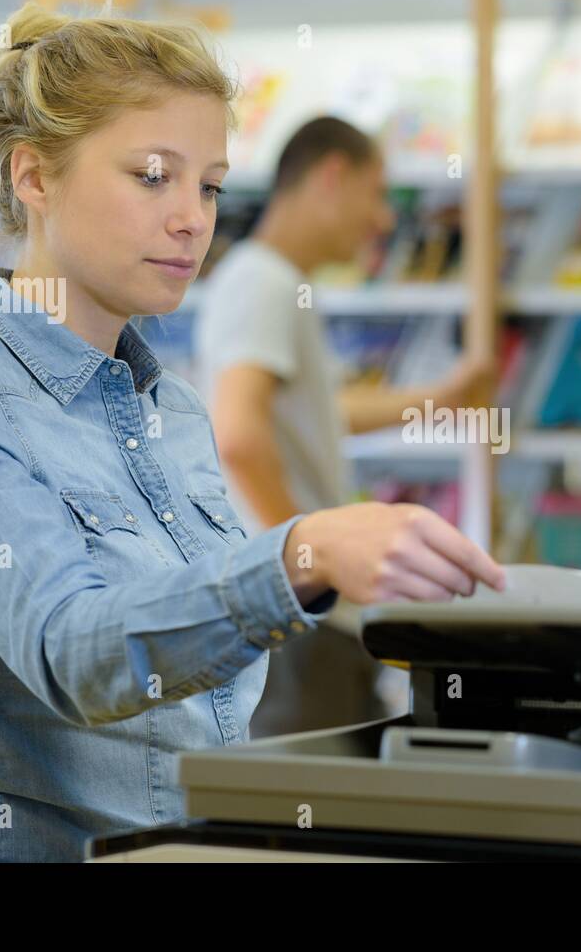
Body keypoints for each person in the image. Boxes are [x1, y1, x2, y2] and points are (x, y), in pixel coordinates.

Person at [0, 3, 504, 863]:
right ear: (34, 178)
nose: (193, 219)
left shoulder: (176, 413)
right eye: (153, 176)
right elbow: (73, 651)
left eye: (208, 185)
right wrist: (300, 554)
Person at [194, 116, 488, 736]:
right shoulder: (265, 283)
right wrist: (313, 561)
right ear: (332, 176)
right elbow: (240, 436)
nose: (382, 220)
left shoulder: (269, 280)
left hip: (300, 609)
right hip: (298, 609)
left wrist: (439, 399)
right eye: (376, 192)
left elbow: (315, 418)